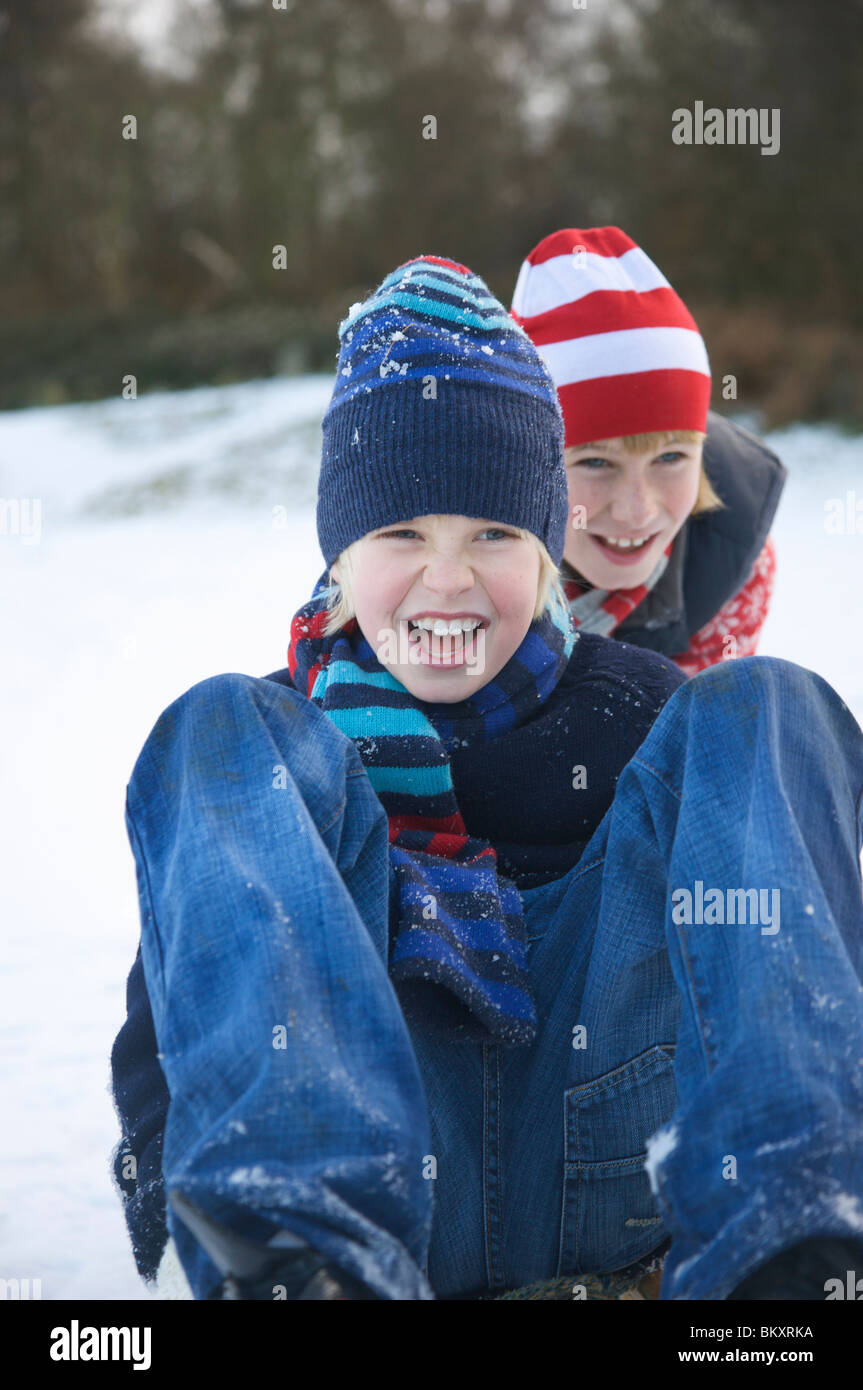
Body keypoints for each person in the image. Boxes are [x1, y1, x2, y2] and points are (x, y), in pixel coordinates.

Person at [110, 254, 863, 1302]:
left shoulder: (642, 711)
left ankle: (793, 1247)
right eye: (400, 533)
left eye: (496, 534)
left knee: (765, 707)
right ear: (339, 556)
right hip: (383, 1169)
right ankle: (295, 1262)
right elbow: (184, 998)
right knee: (218, 724)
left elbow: (777, 922)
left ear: (550, 553)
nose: (449, 577)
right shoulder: (282, 745)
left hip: (613, 1155)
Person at [511, 227, 787, 674]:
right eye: (596, 462)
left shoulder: (726, 555)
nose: (636, 512)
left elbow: (693, 732)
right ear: (525, 465)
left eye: (670, 458)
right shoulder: (462, 559)